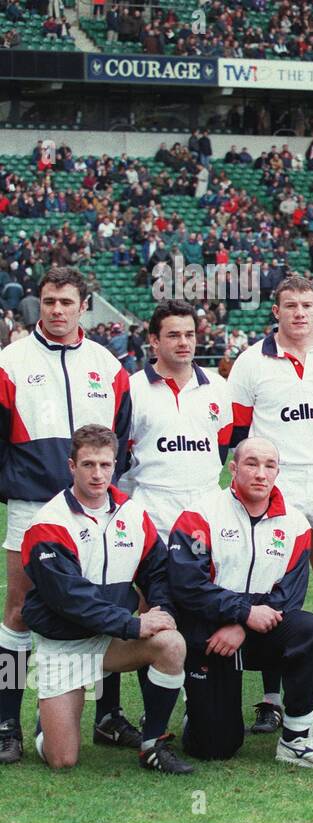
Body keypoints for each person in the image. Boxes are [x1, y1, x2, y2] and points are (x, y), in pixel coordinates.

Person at [0, 267, 135, 766]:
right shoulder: (10, 361)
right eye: (49, 301)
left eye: (66, 302)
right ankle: (6, 721)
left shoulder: (108, 364)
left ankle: (109, 714)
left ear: (85, 306)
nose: (57, 310)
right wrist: (16, 487)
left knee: (110, 600)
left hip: (99, 509)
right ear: (39, 303)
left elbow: (122, 435)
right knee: (18, 611)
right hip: (34, 507)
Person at [227, 275, 313, 733]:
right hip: (276, 483)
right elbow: (238, 433)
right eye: (290, 305)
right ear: (276, 311)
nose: (300, 313)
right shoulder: (251, 362)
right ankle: (270, 699)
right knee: (270, 590)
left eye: (307, 305)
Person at [22, 424, 191, 773]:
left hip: (110, 642)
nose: (97, 474)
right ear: (72, 466)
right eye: (88, 465)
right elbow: (70, 598)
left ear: (116, 464)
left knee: (171, 643)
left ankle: (153, 745)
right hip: (65, 644)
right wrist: (132, 623)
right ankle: (48, 721)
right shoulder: (49, 523)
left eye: (105, 464)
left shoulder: (132, 513)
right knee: (62, 760)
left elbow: (157, 570)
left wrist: (162, 610)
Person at [168, 437, 313, 767]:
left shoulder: (295, 523)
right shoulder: (199, 515)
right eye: (251, 463)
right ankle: (199, 706)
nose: (261, 473)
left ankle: (297, 738)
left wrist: (243, 624)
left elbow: (289, 596)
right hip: (211, 635)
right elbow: (187, 585)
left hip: (257, 630)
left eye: (270, 466)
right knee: (215, 747)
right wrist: (242, 613)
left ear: (278, 472)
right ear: (233, 468)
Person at [119, 302, 232, 542]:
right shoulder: (132, 389)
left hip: (207, 507)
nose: (184, 342)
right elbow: (121, 456)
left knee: (208, 579)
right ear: (155, 340)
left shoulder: (219, 388)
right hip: (153, 509)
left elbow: (221, 448)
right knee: (156, 580)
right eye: (173, 335)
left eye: (189, 334)